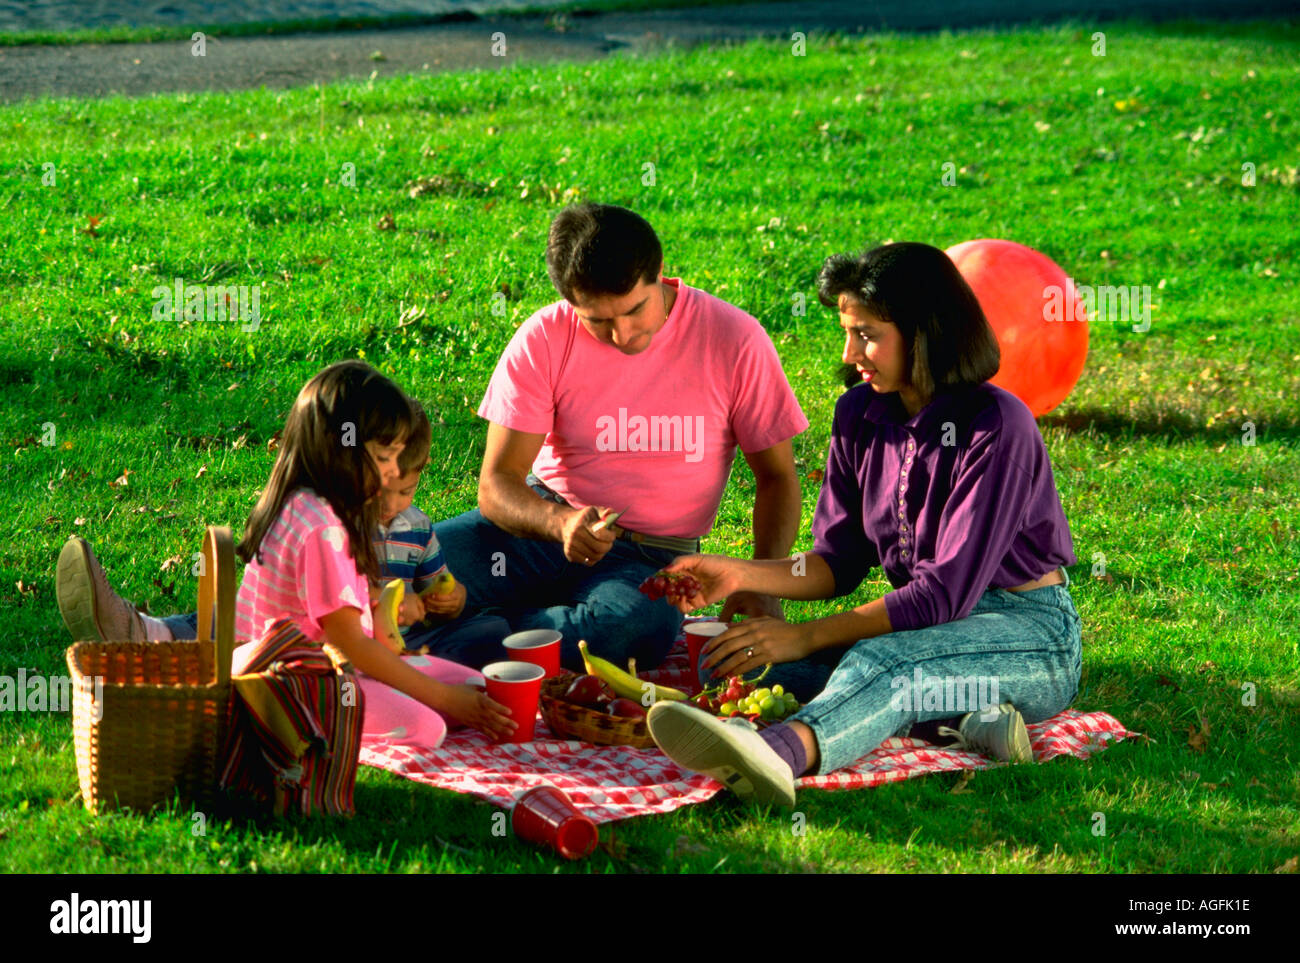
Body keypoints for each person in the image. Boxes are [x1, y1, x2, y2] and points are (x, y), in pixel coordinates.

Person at [644, 242, 1083, 807]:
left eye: (868, 333)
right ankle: (965, 723)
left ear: (924, 333)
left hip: (1029, 637)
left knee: (883, 665)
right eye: (847, 331)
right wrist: (740, 575)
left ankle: (776, 757)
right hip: (929, 629)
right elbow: (838, 560)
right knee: (759, 668)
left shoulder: (997, 426)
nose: (852, 352)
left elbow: (942, 596)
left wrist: (803, 633)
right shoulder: (860, 413)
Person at [434, 203, 809, 672]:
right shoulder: (545, 337)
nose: (623, 334)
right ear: (570, 301)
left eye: (635, 309)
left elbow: (776, 478)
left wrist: (760, 584)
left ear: (660, 273)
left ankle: (471, 631)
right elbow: (497, 484)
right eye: (598, 320)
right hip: (537, 530)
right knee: (399, 569)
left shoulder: (735, 339)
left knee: (628, 629)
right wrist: (560, 524)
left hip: (651, 559)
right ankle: (501, 634)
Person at [57, 361, 516, 744]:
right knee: (429, 726)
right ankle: (304, 733)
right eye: (384, 457)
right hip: (293, 684)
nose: (395, 471)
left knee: (478, 686)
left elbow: (354, 616)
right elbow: (349, 646)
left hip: (324, 668)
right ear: (343, 450)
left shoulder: (316, 504)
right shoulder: (321, 528)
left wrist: (389, 616)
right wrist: (439, 697)